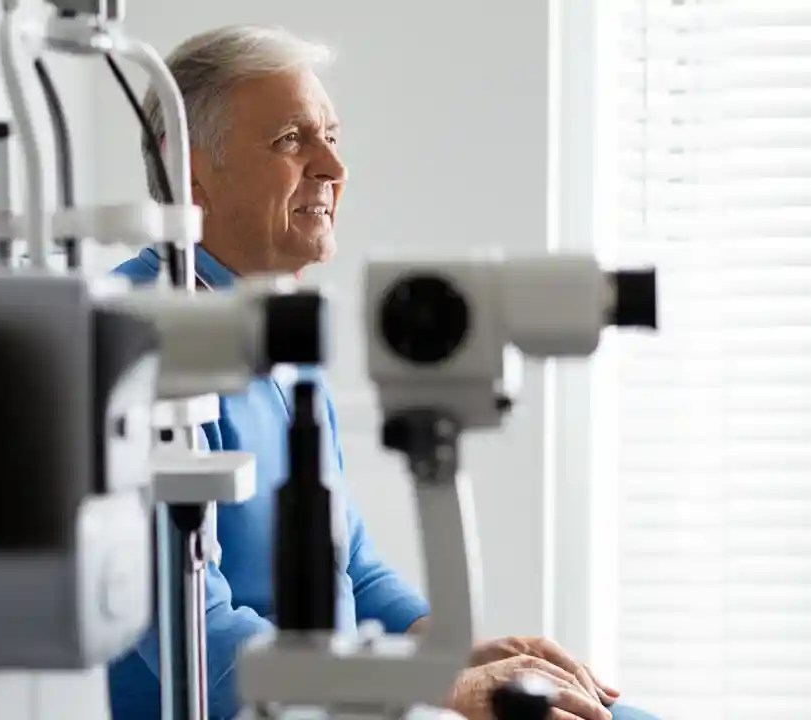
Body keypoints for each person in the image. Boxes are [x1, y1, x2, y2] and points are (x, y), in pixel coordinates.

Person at [106, 25, 657, 720]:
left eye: (331, 137)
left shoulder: (280, 330)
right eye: (290, 141)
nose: (332, 169)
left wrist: (454, 652)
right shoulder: (139, 339)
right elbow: (199, 644)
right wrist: (431, 687)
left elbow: (351, 567)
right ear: (189, 176)